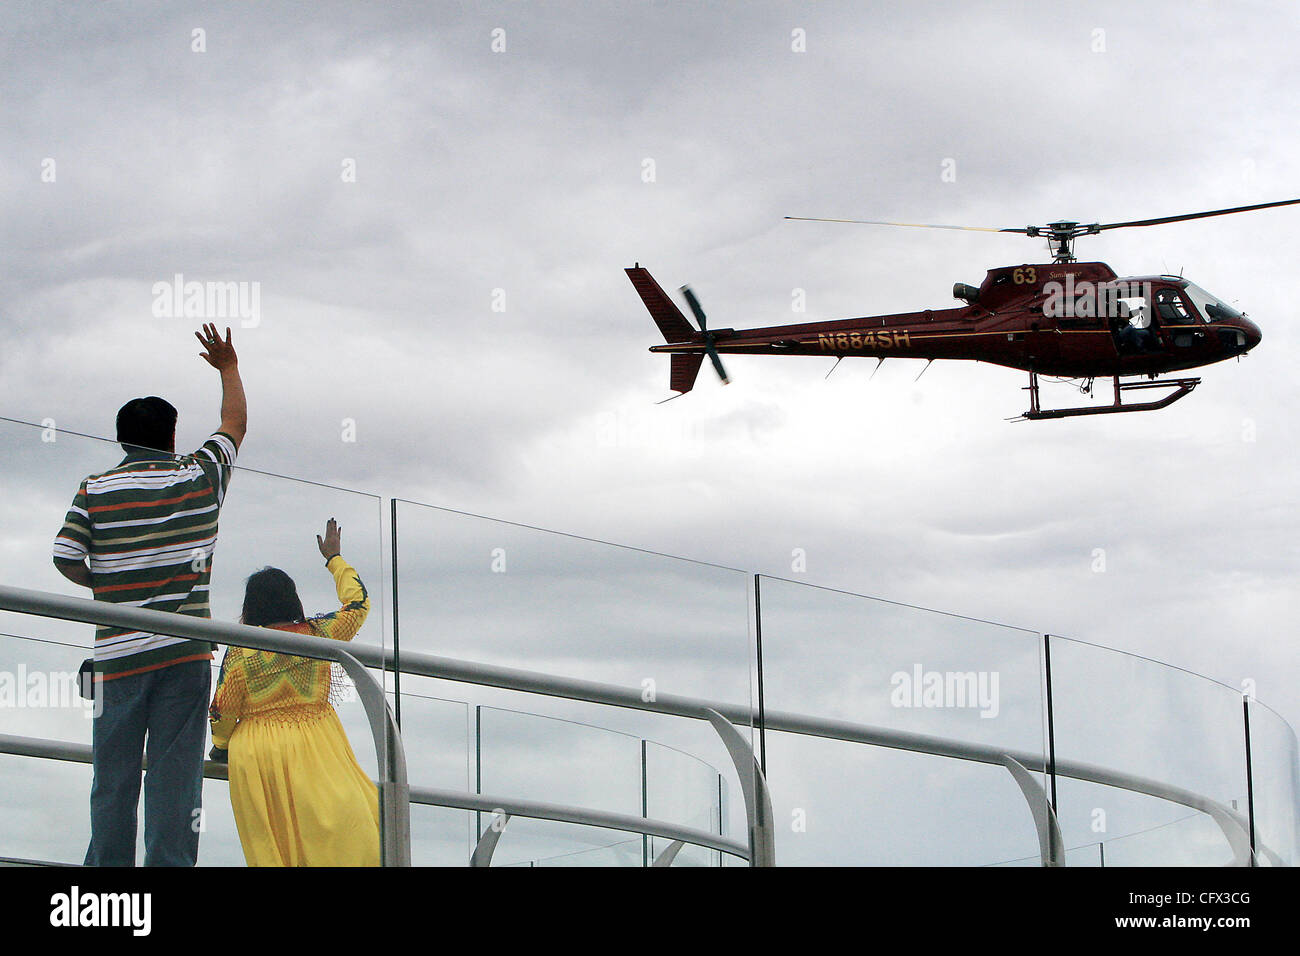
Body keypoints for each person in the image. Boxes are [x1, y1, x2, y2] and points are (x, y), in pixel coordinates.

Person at [53, 323, 247, 866]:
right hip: (185, 654)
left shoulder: (96, 488)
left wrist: (112, 586)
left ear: (121, 439)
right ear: (171, 436)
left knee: (111, 778)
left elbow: (66, 556)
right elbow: (234, 425)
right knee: (175, 782)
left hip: (116, 657)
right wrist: (229, 368)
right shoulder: (198, 477)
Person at [208, 518, 380, 866]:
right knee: (345, 823)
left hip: (258, 754)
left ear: (250, 606)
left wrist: (221, 747)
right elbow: (358, 605)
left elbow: (222, 711)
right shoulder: (318, 634)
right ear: (293, 599)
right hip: (318, 741)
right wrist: (335, 559)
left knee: (278, 845)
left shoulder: (242, 649)